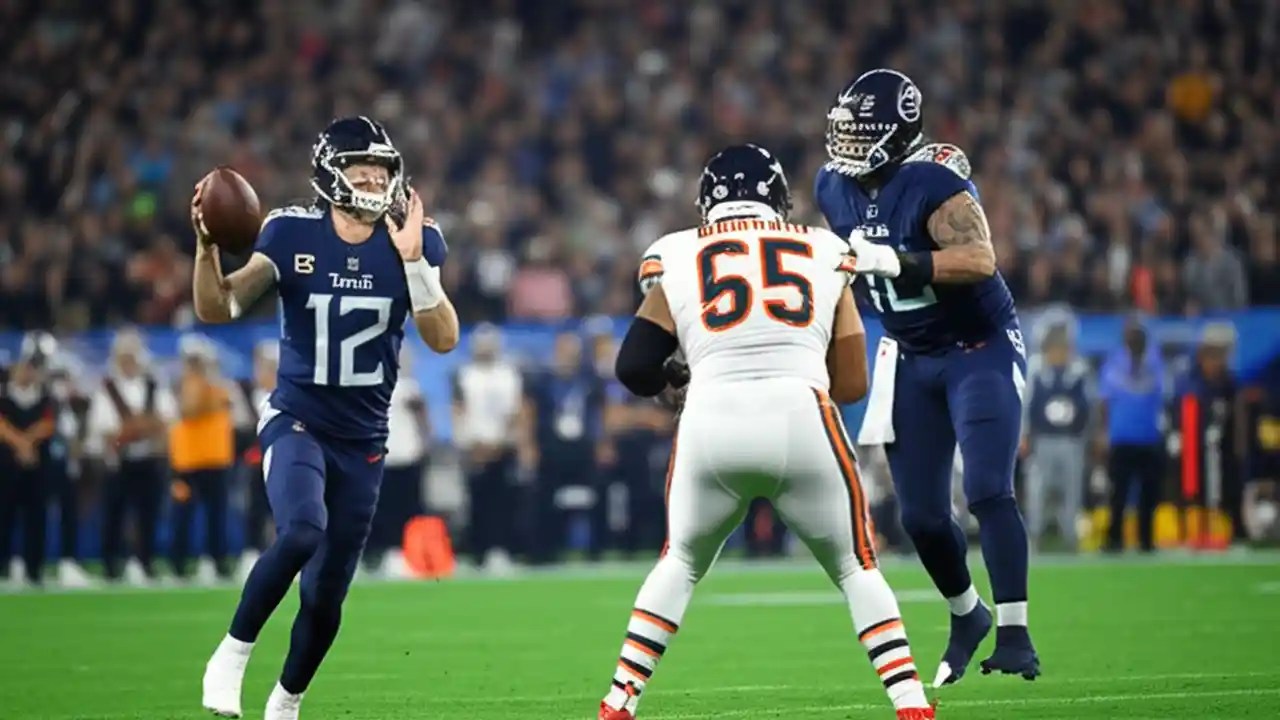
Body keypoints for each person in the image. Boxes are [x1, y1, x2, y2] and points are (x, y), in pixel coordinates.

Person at [596, 144, 935, 720]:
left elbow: (632, 367)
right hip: (800, 414)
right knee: (857, 567)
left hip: (711, 417)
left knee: (679, 561)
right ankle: (910, 703)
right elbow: (851, 383)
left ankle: (618, 699)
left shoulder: (676, 252)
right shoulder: (827, 249)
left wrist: (679, 373)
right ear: (779, 197)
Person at [193, 116, 459, 720]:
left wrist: (415, 264)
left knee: (325, 593)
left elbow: (444, 339)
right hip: (298, 419)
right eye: (360, 170)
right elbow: (220, 306)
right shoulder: (289, 232)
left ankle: (285, 703)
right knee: (302, 530)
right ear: (328, 175)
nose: (373, 181)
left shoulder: (414, 239)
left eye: (382, 170)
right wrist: (207, 246)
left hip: (364, 440)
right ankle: (231, 655)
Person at [815, 69, 1039, 685]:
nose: (847, 143)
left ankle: (1016, 632)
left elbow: (980, 259)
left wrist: (898, 261)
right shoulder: (832, 186)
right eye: (845, 129)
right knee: (919, 516)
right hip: (910, 353)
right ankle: (968, 613)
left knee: (989, 488)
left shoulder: (934, 182)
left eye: (861, 132)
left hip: (977, 346)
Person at [87, 328, 176, 585]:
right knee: (114, 515)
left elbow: (165, 421)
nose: (128, 361)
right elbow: (105, 430)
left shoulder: (153, 384)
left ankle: (144, 562)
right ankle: (111, 565)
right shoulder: (107, 388)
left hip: (148, 460)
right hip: (118, 462)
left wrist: (134, 428)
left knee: (148, 515)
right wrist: (138, 428)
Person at [451, 323, 523, 573]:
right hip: (474, 447)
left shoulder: (508, 374)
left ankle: (501, 550)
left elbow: (514, 412)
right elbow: (459, 411)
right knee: (476, 503)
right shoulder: (464, 375)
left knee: (502, 502)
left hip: (502, 447)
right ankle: (478, 553)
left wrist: (501, 442)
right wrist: (469, 443)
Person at [1021, 315, 1094, 551]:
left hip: (1071, 441)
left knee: (1071, 490)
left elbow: (1087, 408)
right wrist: (1024, 435)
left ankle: (1070, 538)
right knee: (1038, 490)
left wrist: (1086, 435)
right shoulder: (1035, 371)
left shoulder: (1079, 371)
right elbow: (1025, 406)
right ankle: (1035, 536)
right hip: (1043, 440)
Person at [169, 333, 235, 583]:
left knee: (216, 515)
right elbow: (190, 410)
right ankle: (178, 564)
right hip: (189, 461)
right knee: (184, 515)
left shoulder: (217, 384)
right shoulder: (186, 384)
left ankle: (215, 561)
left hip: (215, 458)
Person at [1099, 317, 1166, 553]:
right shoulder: (1114, 363)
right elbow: (1104, 402)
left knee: (1149, 494)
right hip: (1121, 437)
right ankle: (1114, 539)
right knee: (1118, 493)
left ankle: (1146, 541)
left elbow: (1163, 396)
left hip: (1148, 437)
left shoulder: (1155, 363)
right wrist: (1103, 433)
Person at [0, 332, 59, 589]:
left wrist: (28, 442)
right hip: (7, 463)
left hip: (37, 464)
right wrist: (21, 443)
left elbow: (49, 422)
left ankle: (34, 569)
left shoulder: (46, 391)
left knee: (37, 517)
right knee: (4, 516)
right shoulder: (3, 388)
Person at [365, 345, 430, 576]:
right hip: (385, 456)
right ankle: (382, 554)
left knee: (405, 509)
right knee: (381, 510)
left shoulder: (410, 388)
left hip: (406, 455)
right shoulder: (374, 387)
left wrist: (424, 444)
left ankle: (402, 554)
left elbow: (422, 418)